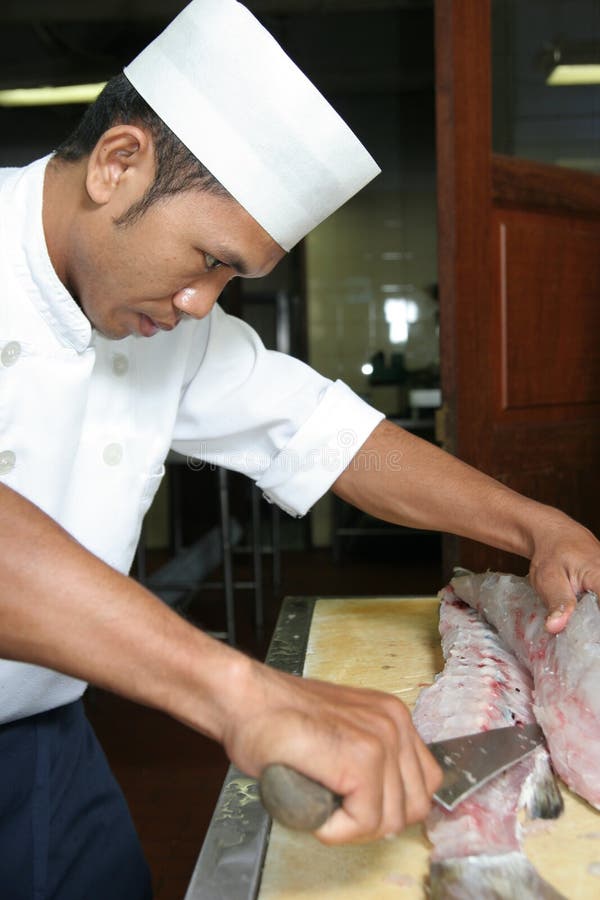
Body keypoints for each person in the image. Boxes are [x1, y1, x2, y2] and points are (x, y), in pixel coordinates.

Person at [1, 0, 600, 896]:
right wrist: (242, 694)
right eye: (206, 259)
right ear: (117, 165)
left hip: (48, 736)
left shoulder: (171, 326)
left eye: (229, 277)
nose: (203, 301)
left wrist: (534, 523)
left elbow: (324, 432)